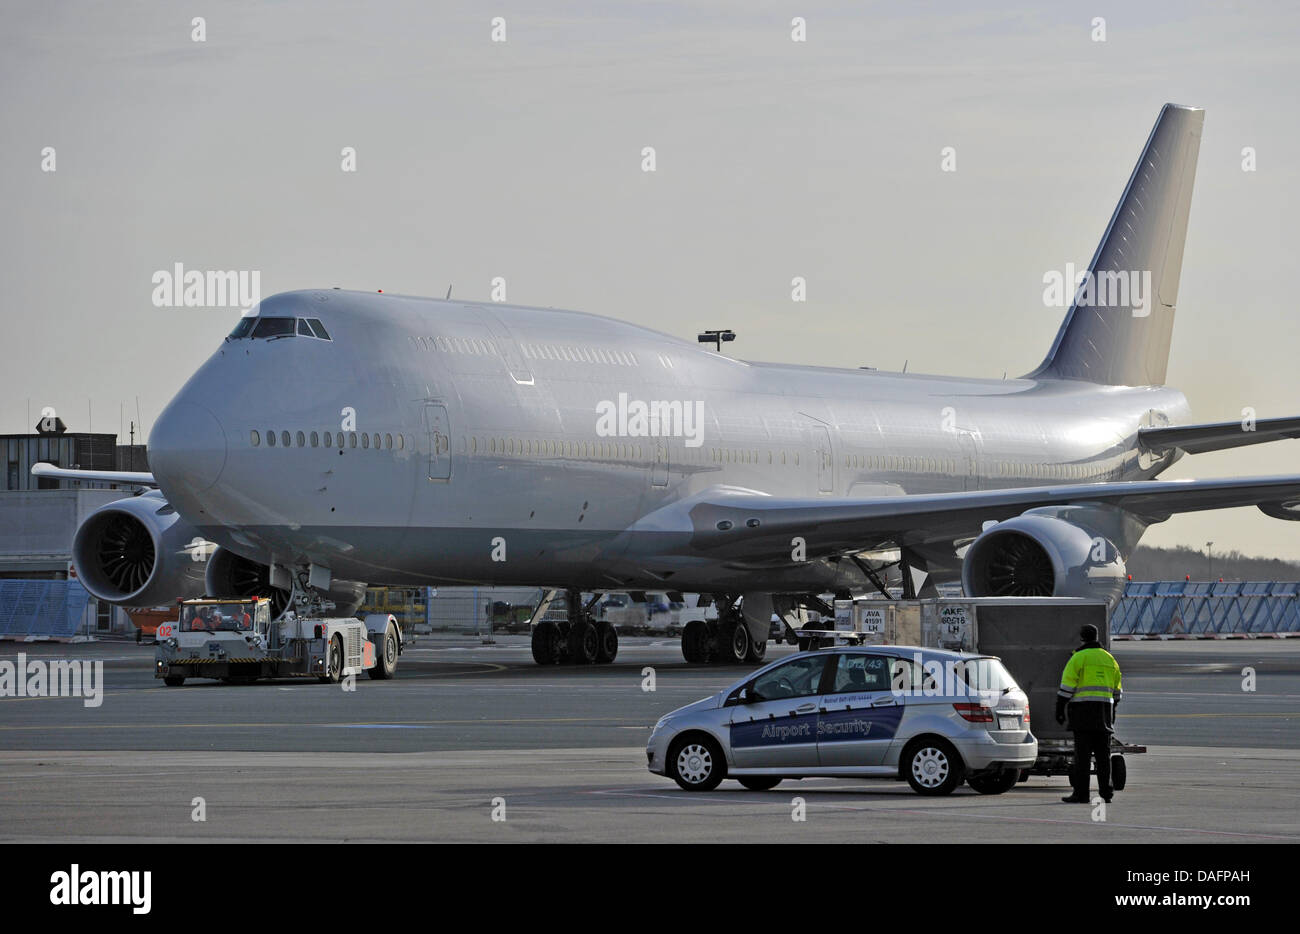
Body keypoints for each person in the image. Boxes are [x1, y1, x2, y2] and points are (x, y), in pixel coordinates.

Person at [1056, 623, 1123, 803]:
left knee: (1083, 757)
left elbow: (1066, 688)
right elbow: (1117, 693)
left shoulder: (1078, 658)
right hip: (1104, 715)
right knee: (1103, 757)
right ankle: (1106, 793)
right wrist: (1112, 712)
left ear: (1082, 638)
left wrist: (1059, 709)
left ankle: (1081, 793)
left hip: (1083, 714)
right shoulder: (1110, 659)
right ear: (1096, 636)